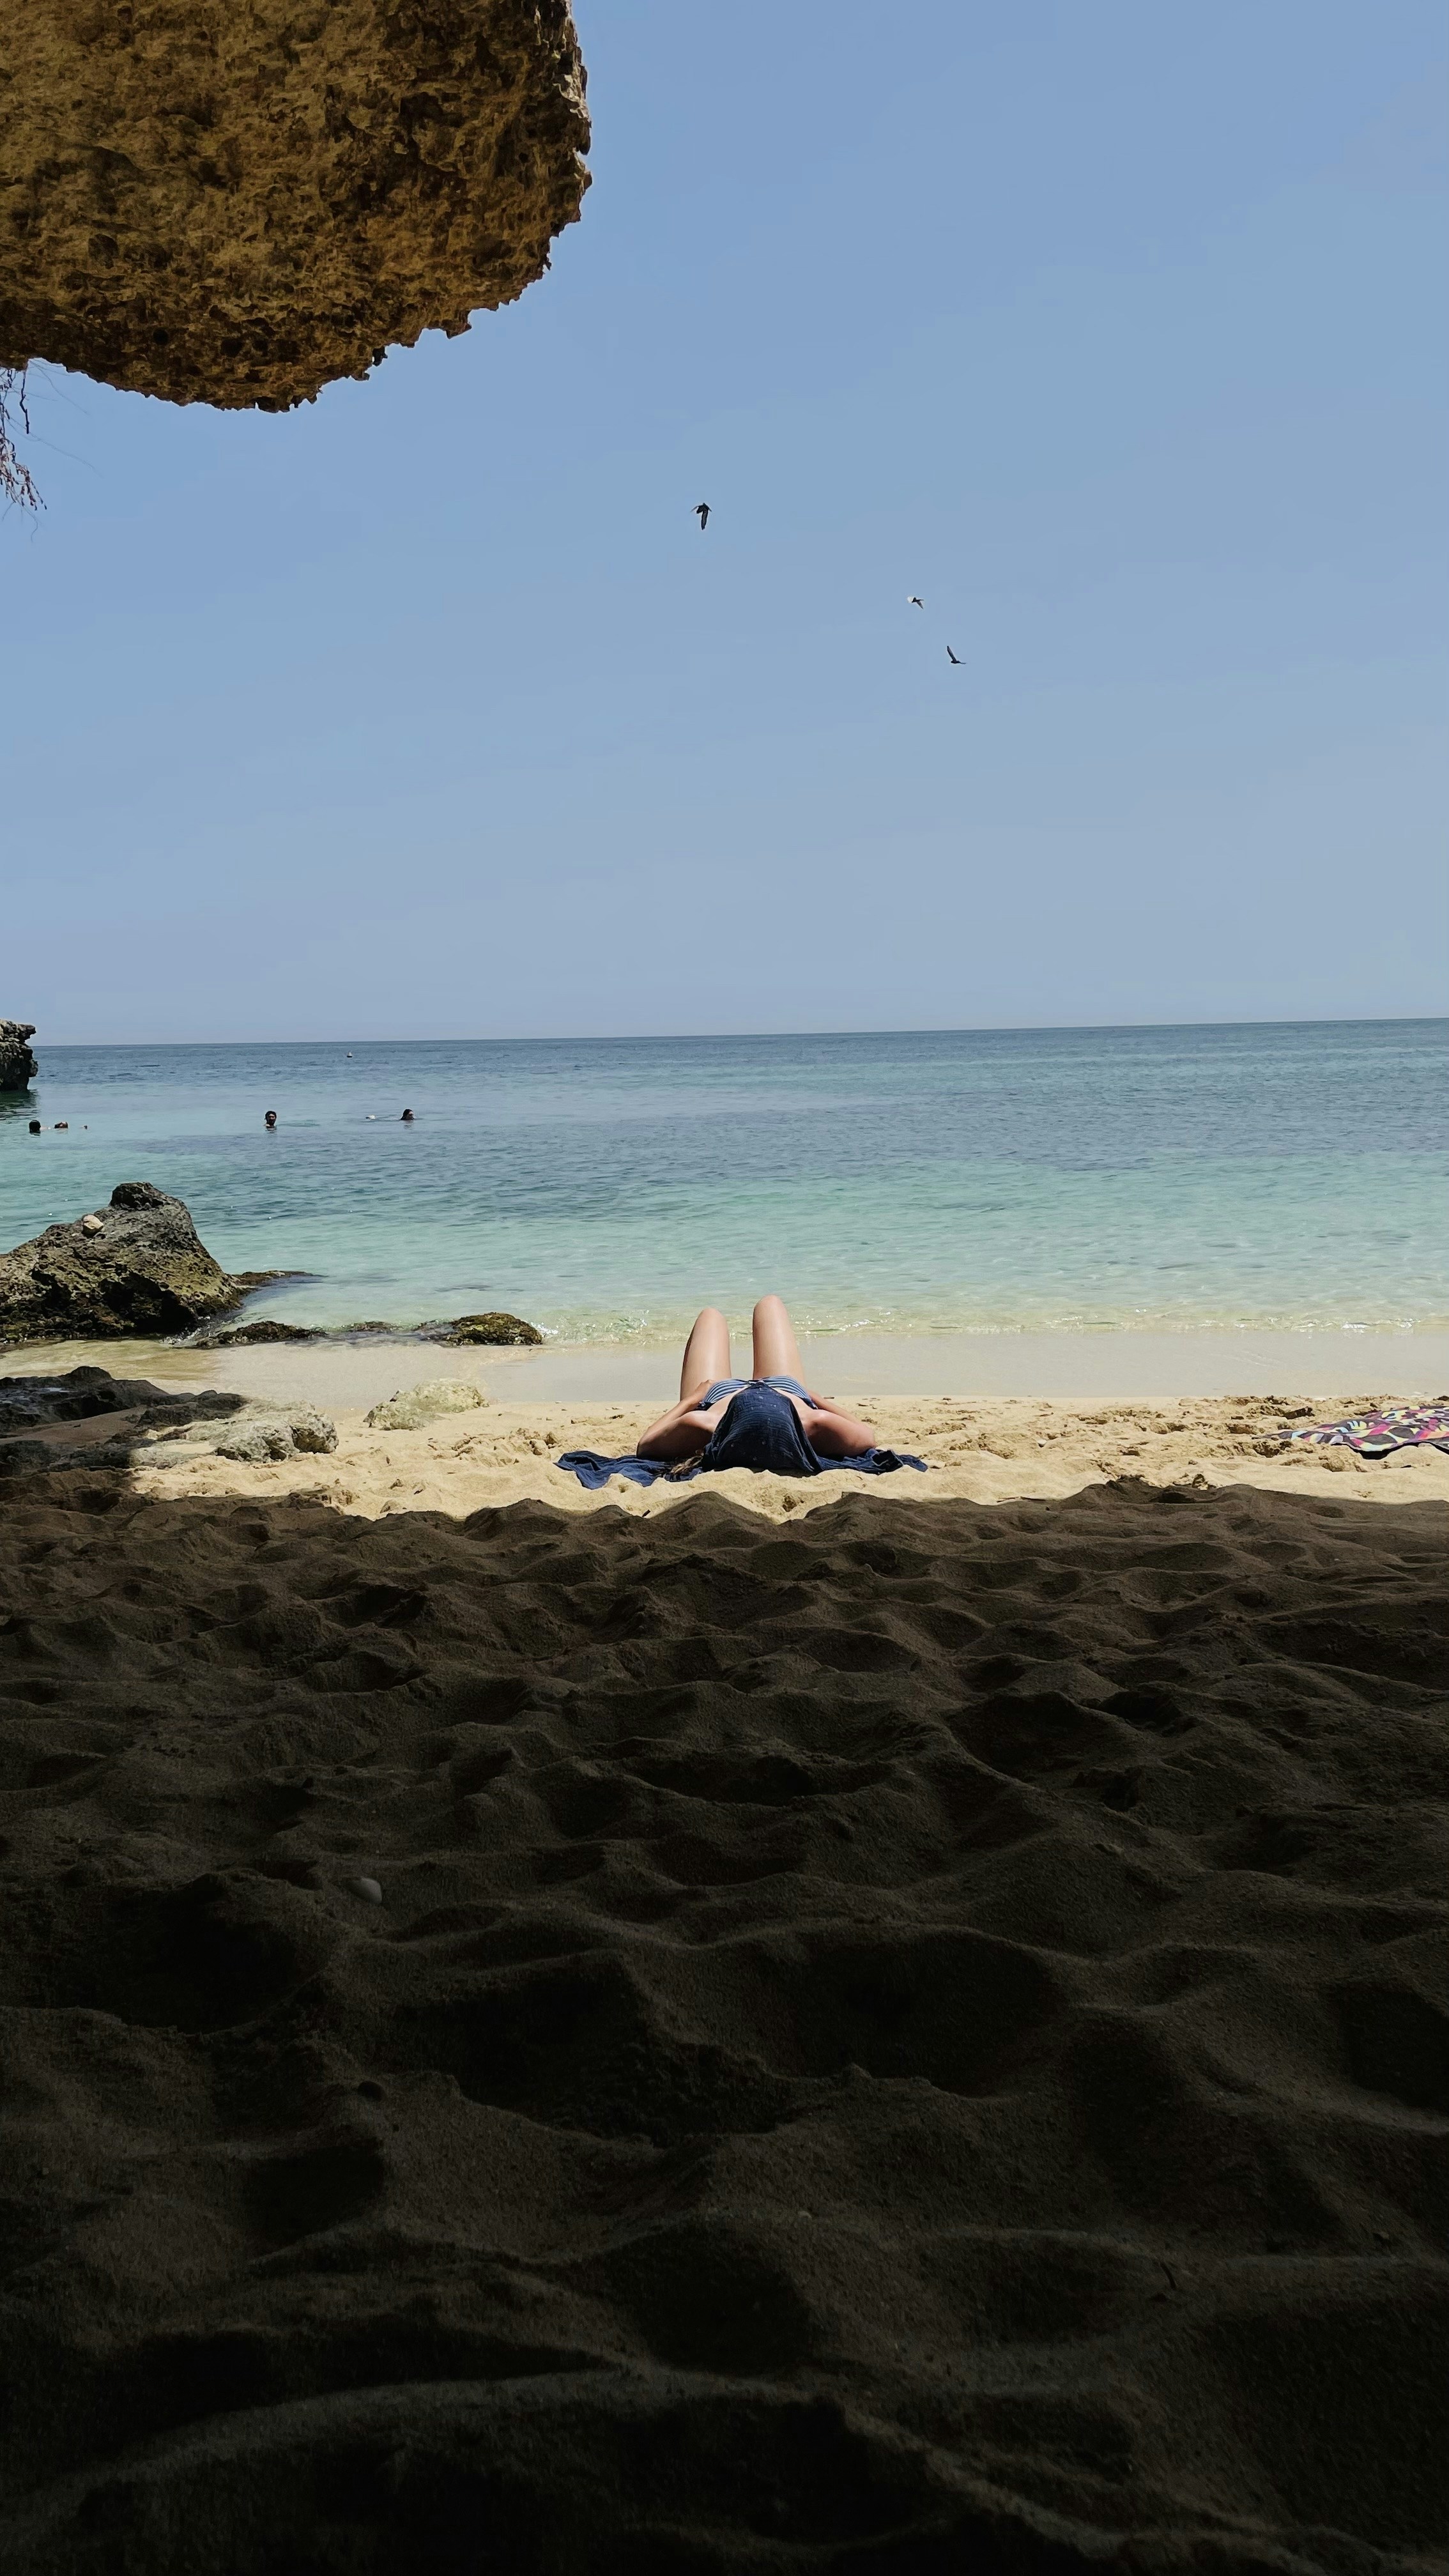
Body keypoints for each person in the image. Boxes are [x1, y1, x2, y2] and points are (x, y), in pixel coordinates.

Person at [637, 1296, 880, 1466]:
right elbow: (867, 1437)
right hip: (781, 1389)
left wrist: (694, 1398)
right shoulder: (812, 1421)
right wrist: (812, 1396)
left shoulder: (707, 1423)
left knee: (711, 1317)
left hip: (734, 1394)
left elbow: (645, 1446)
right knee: (769, 1304)